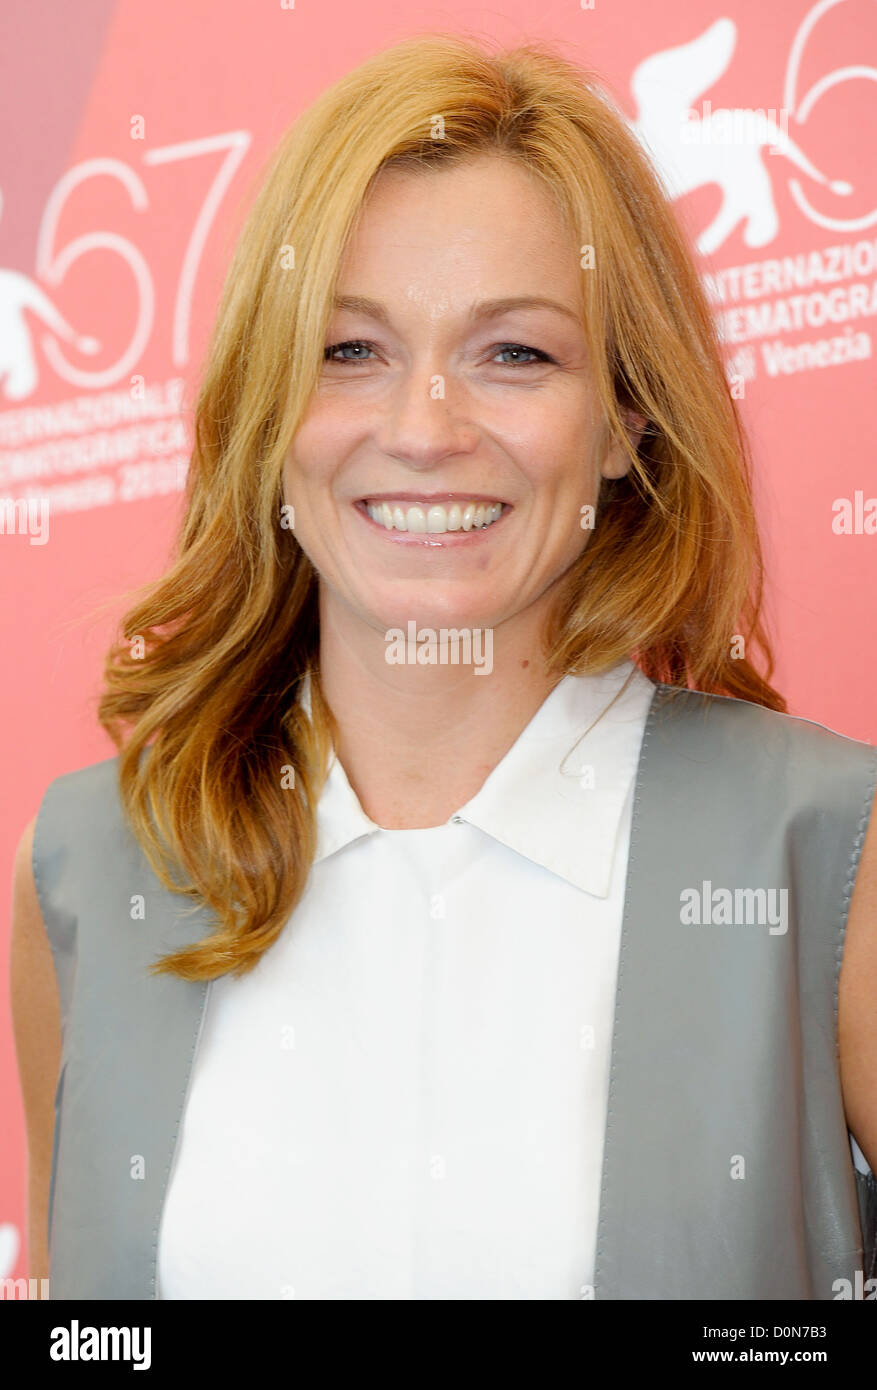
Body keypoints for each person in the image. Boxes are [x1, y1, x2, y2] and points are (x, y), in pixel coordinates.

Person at [11, 34, 877, 1301]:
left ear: (628, 421)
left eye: (513, 353)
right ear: (268, 411)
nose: (423, 429)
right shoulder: (91, 864)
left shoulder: (826, 859)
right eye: (349, 351)